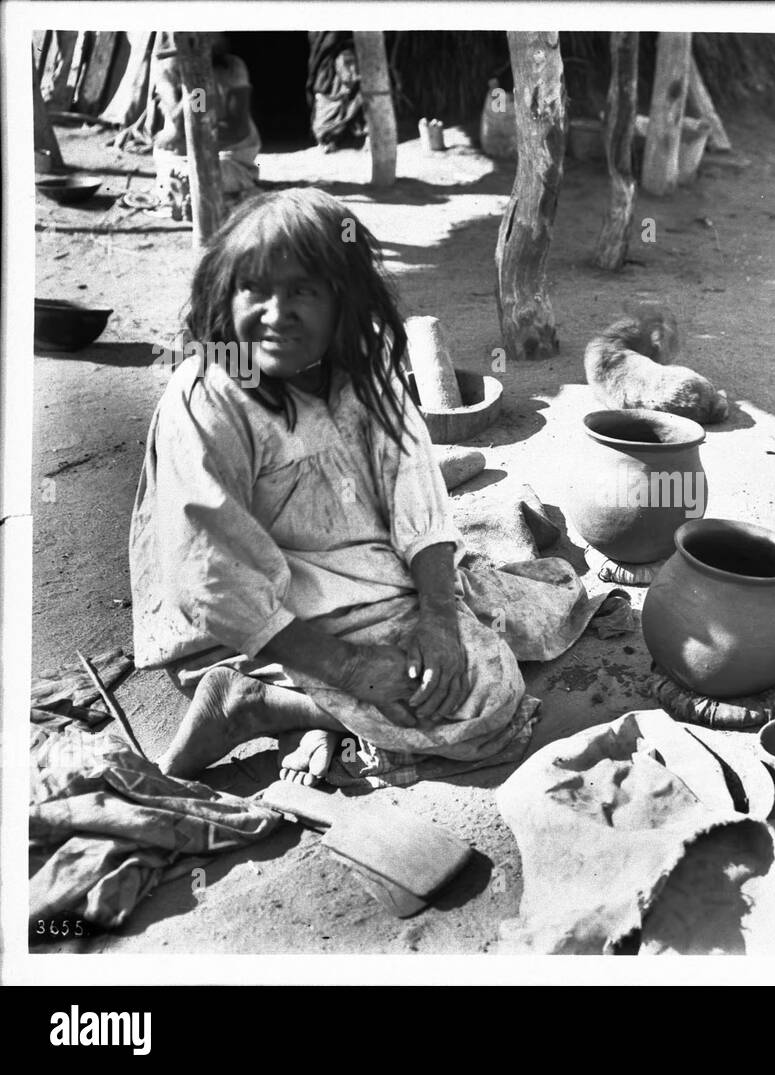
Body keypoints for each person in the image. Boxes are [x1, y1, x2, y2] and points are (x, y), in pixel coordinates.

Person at [131, 188, 613, 787]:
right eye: (254, 289)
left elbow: (415, 490)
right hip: (258, 626)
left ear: (343, 302)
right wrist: (351, 669)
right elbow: (211, 580)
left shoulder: (363, 360)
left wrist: (438, 618)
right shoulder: (209, 397)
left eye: (303, 291)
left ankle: (301, 713)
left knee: (493, 677)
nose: (276, 313)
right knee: (475, 714)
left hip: (375, 581)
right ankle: (251, 701)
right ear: (224, 296)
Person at [151, 33, 262, 213]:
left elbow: (236, 129)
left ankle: (193, 193)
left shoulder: (233, 68)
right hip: (183, 152)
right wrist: (196, 84)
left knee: (216, 171)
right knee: (174, 172)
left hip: (228, 153)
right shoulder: (166, 69)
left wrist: (199, 82)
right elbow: (185, 118)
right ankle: (188, 192)